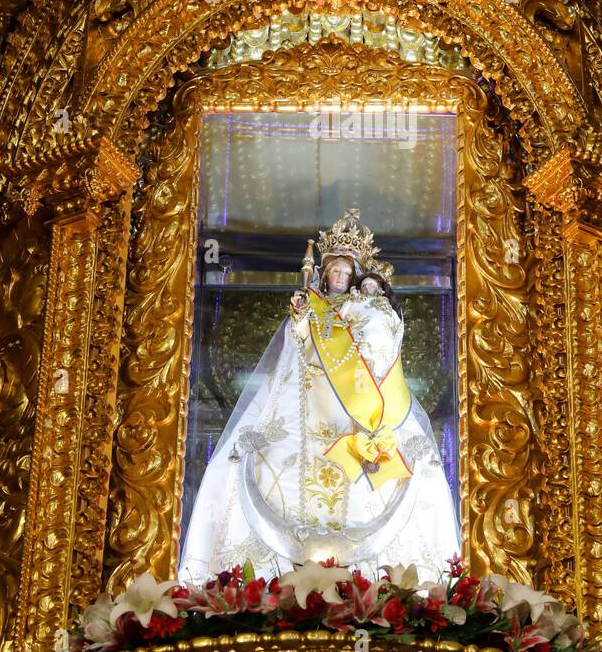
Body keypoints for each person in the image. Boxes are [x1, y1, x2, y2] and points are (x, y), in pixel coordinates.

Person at [179, 209, 460, 582]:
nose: (341, 277)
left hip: (354, 400)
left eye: (347, 273)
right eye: (335, 272)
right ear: (326, 274)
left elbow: (378, 345)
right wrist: (299, 315)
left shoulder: (366, 308)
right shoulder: (313, 305)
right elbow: (297, 345)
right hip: (307, 394)